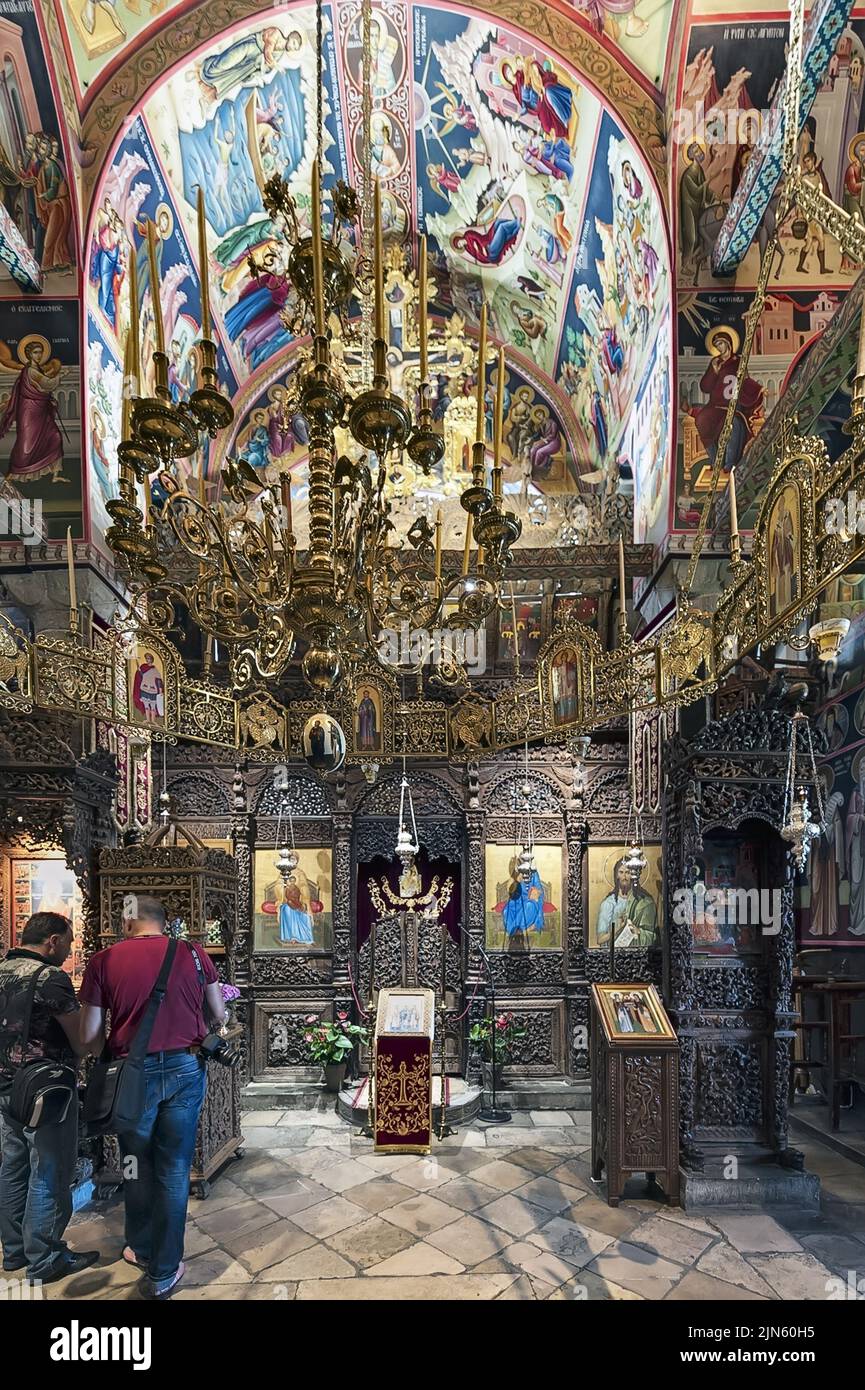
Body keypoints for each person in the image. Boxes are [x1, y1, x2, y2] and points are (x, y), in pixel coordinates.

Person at [78, 896, 225, 1299]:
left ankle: (140, 1246)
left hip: (131, 1076)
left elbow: (90, 1036)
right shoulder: (193, 954)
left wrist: (109, 1053)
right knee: (174, 1168)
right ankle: (163, 1270)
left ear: (128, 921)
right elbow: (219, 1013)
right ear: (165, 922)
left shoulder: (103, 961)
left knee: (133, 1162)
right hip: (184, 1069)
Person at [0, 912, 101, 1284]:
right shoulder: (50, 978)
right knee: (50, 1169)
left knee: (12, 1167)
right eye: (69, 941)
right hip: (45, 1092)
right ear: (53, 941)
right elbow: (80, 1040)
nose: (70, 949)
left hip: (6, 1088)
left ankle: (13, 1253)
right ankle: (44, 1257)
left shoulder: (1, 970)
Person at [596, 857, 658, 947]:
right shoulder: (608, 904)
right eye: (621, 872)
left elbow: (654, 936)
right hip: (612, 955)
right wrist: (617, 929)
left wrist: (638, 931)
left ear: (633, 876)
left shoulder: (645, 902)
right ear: (616, 875)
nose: (624, 877)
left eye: (628, 872)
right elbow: (600, 939)